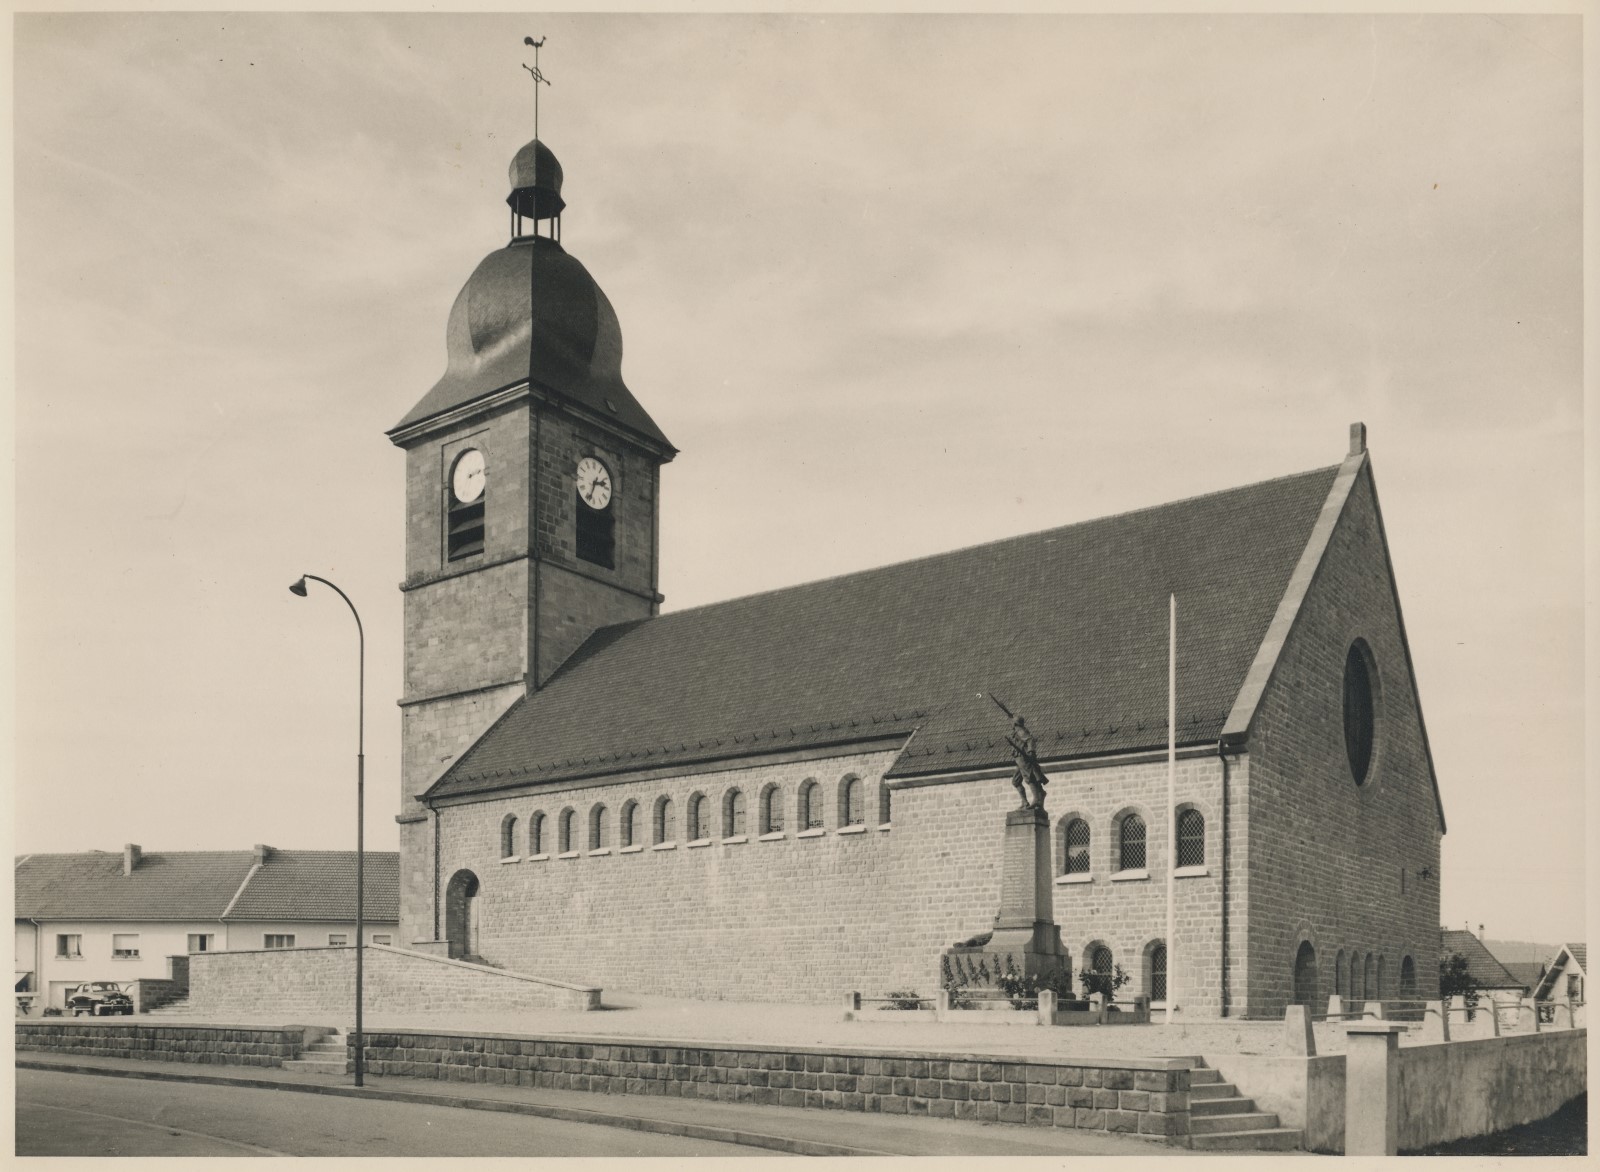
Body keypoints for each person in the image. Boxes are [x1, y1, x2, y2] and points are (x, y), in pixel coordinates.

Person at [1005, 715, 1050, 809]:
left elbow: (1030, 739)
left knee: (1029, 777)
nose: (1011, 724)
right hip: (1018, 758)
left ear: (1015, 723)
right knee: (1016, 781)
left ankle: (1037, 800)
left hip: (1023, 757)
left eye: (1012, 722)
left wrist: (1031, 751)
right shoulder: (1016, 731)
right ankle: (1025, 802)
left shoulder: (1020, 730)